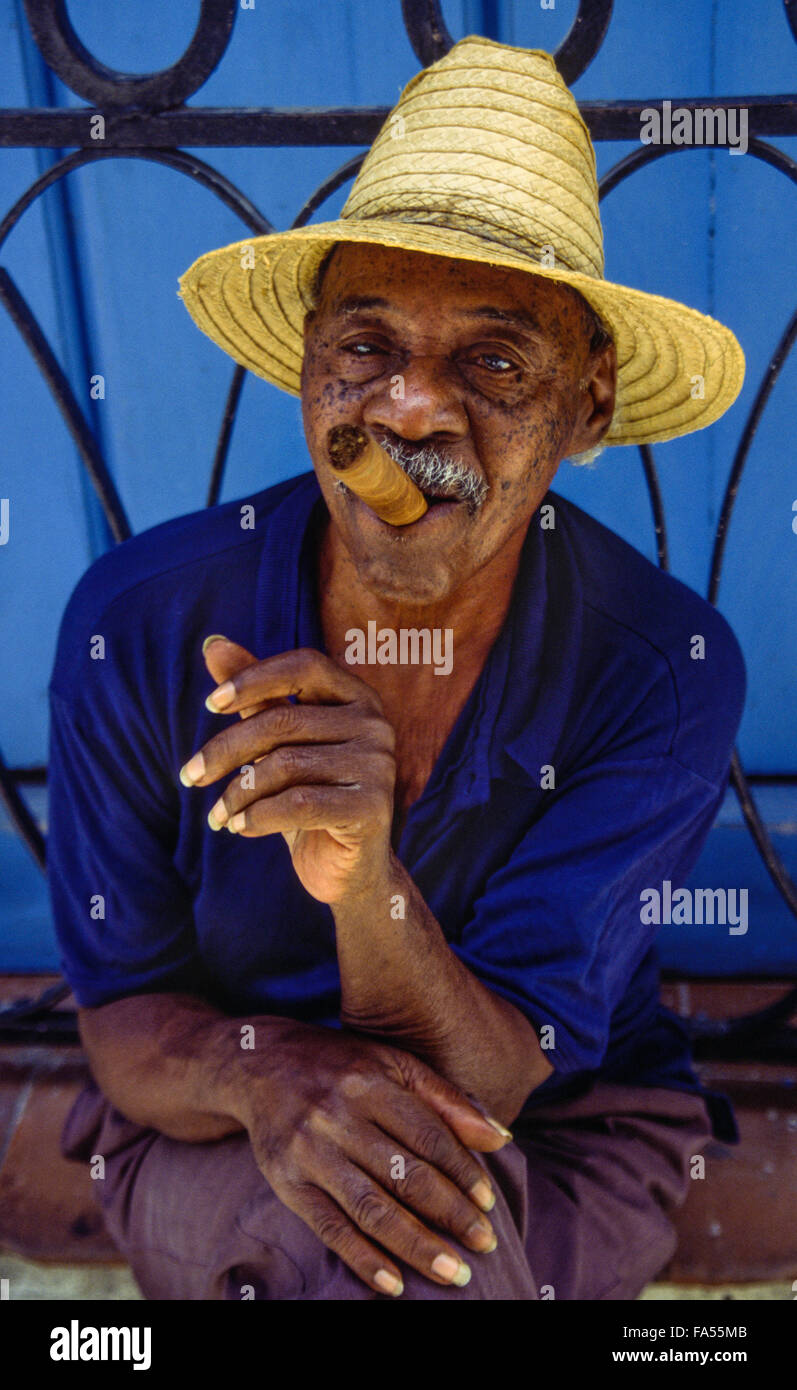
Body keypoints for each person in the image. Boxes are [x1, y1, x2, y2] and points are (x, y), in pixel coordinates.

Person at [49, 38, 746, 1300]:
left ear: (585, 407)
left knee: (423, 1246)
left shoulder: (660, 667)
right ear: (312, 372)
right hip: (216, 1108)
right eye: (365, 347)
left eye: (489, 361)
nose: (410, 411)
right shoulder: (141, 618)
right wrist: (264, 1073)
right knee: (385, 1255)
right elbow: (126, 1023)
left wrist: (360, 877)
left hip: (560, 1126)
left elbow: (491, 1078)